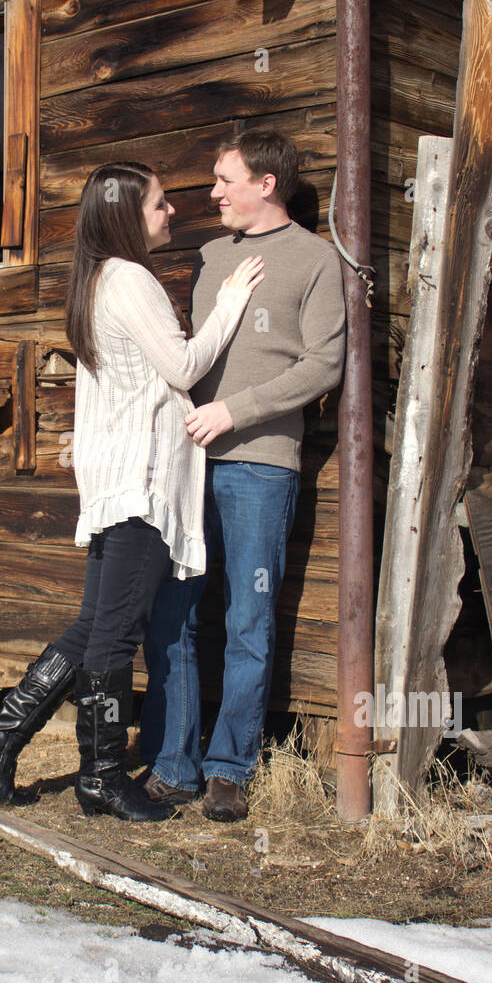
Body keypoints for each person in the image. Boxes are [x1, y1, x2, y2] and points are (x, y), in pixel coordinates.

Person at [0, 161, 265, 822]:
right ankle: (99, 778)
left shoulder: (96, 281)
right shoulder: (130, 280)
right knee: (114, 639)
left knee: (94, 626)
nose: (172, 213)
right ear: (128, 215)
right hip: (143, 485)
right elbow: (183, 366)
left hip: (116, 482)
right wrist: (232, 306)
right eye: (159, 204)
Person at [140, 130, 346, 822]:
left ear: (267, 183)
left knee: (248, 619)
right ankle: (173, 765)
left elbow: (323, 366)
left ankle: (230, 767)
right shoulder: (205, 257)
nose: (213, 192)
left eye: (225, 179)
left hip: (260, 467)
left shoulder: (315, 261)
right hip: (190, 469)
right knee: (174, 615)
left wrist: (236, 410)